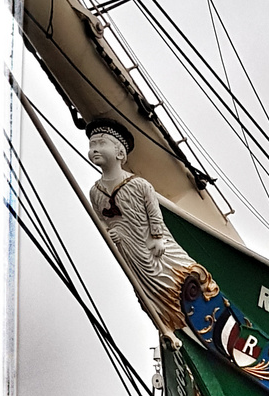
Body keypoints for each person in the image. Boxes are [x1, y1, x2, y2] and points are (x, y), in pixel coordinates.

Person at [87, 116, 218, 346]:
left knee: (176, 275)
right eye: (92, 146)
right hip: (130, 251)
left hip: (153, 247)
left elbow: (153, 213)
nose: (94, 149)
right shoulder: (95, 193)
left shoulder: (139, 185)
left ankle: (195, 310)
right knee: (146, 290)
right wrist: (111, 233)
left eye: (101, 144)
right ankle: (168, 325)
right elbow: (103, 222)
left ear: (120, 153)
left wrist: (157, 237)